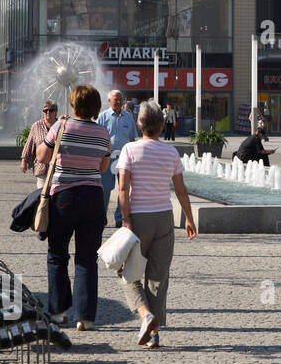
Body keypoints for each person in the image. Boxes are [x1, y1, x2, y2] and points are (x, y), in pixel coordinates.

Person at [116, 101, 197, 349]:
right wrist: (189, 219)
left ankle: (145, 315)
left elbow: (122, 188)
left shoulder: (129, 150)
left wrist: (125, 218)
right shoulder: (170, 153)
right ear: (162, 125)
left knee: (127, 270)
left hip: (138, 217)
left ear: (139, 124)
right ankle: (155, 333)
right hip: (164, 218)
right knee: (158, 278)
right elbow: (181, 191)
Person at [36, 84, 111, 331]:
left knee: (57, 255)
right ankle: (85, 317)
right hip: (93, 198)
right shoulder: (102, 133)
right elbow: (102, 168)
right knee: (87, 258)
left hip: (64, 198)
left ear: (73, 105)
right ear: (96, 106)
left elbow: (42, 157)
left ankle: (58, 313)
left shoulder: (62, 125)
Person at [97, 90, 139, 228]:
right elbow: (97, 139)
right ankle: (101, 217)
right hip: (107, 158)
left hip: (124, 158)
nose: (119, 102)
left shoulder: (128, 117)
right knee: (105, 189)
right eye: (116, 99)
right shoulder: (102, 117)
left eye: (121, 99)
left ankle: (120, 217)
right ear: (109, 101)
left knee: (124, 188)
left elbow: (132, 139)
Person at [20, 100, 58, 190]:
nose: (48, 112)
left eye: (51, 110)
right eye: (45, 110)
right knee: (42, 197)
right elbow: (29, 145)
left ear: (56, 112)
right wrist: (23, 162)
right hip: (42, 169)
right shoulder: (36, 126)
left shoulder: (61, 125)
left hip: (58, 170)